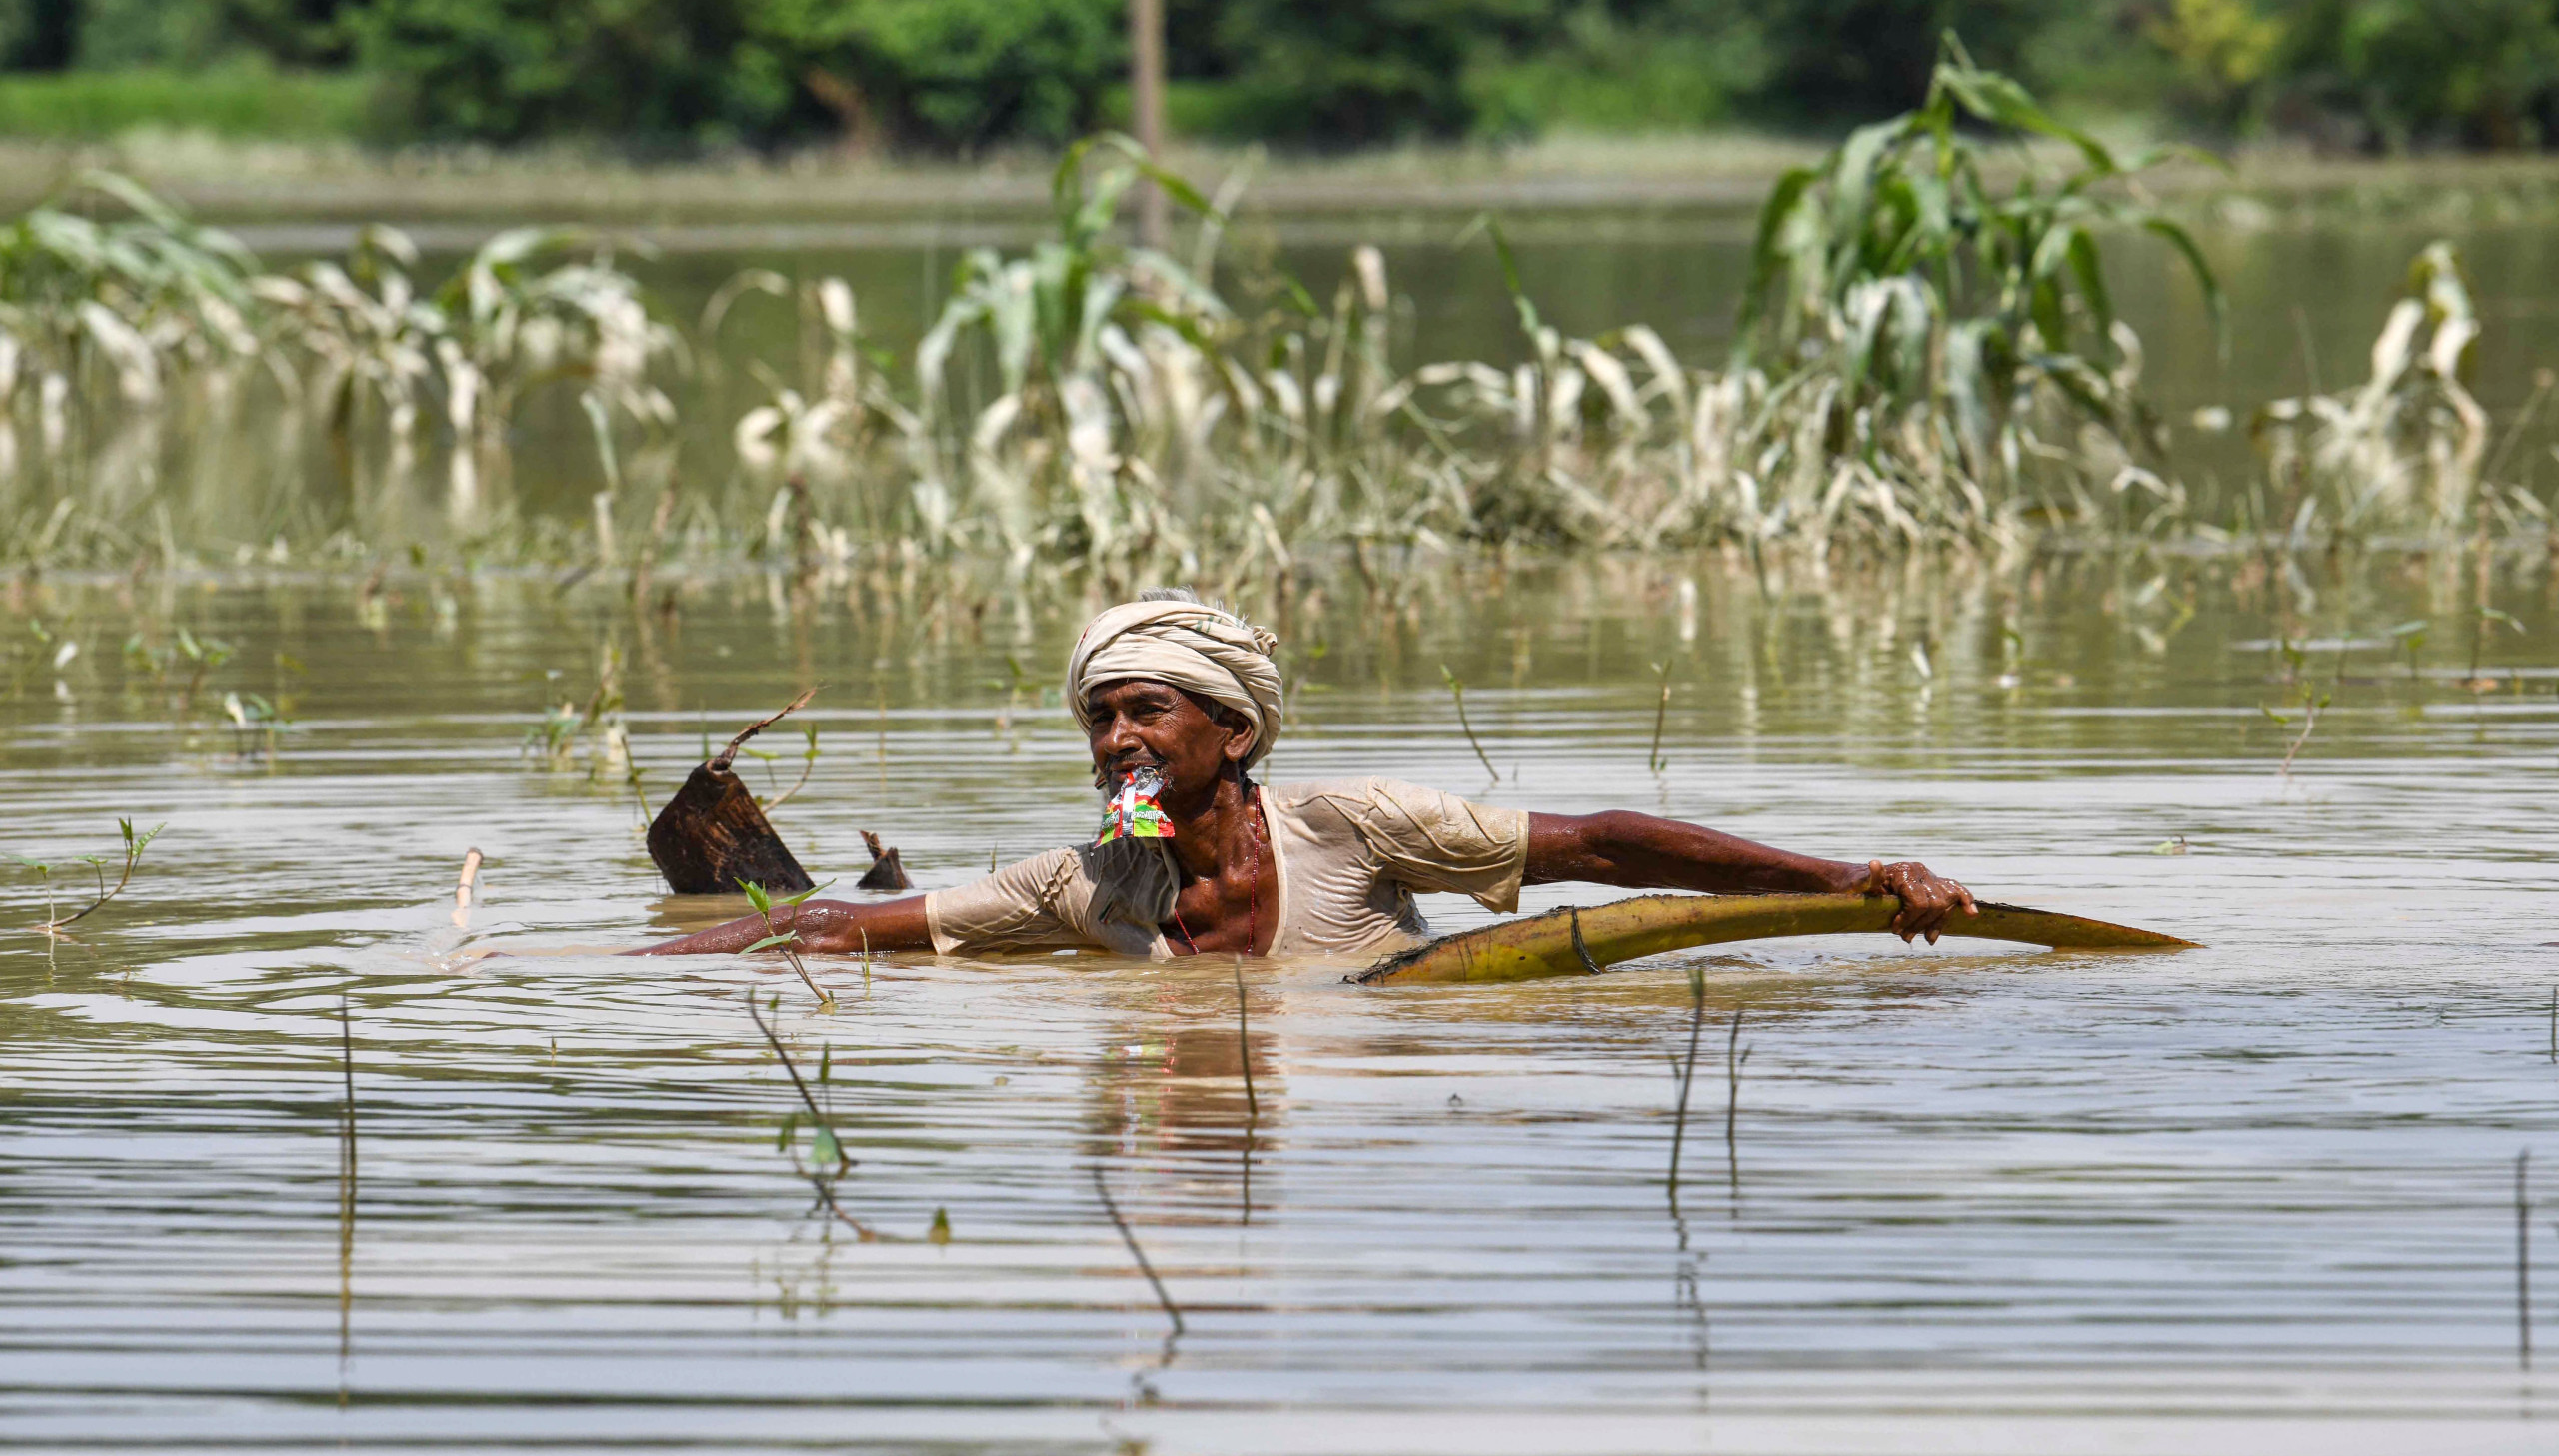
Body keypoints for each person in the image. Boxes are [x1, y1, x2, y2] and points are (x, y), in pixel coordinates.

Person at [638, 592, 1976, 963]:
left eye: (1145, 711)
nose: (1115, 741)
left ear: (1232, 734)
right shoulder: (1084, 884)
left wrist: (1856, 878)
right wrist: (663, 954)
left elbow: (1611, 843)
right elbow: (852, 927)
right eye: (1099, 720)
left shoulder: (1352, 826)